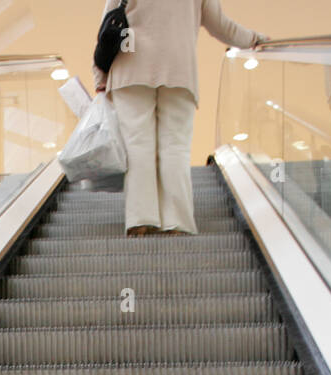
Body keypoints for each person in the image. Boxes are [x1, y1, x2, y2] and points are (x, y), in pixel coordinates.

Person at [92, 0, 267, 237]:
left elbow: (108, 23)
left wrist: (100, 77)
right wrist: (255, 39)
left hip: (130, 65)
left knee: (137, 146)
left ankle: (141, 220)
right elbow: (221, 26)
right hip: (178, 69)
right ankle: (178, 221)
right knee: (176, 147)